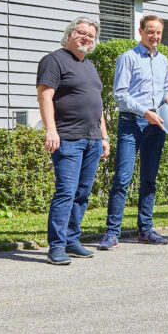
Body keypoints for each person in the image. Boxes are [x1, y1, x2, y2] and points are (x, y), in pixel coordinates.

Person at [36, 17, 110, 265]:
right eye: (81, 32)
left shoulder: (90, 65)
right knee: (66, 192)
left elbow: (97, 105)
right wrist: (51, 130)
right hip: (67, 138)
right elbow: (45, 97)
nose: (86, 38)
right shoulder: (53, 60)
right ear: (69, 34)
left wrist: (104, 136)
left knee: (82, 193)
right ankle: (56, 246)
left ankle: (71, 239)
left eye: (90, 35)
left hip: (92, 140)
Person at [98, 15, 168, 250]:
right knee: (122, 178)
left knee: (149, 180)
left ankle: (145, 230)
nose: (155, 36)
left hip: (156, 125)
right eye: (150, 31)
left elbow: (165, 89)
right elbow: (120, 94)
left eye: (158, 32)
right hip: (131, 123)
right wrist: (145, 112)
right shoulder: (127, 58)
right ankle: (112, 233)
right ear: (140, 31)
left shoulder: (164, 61)